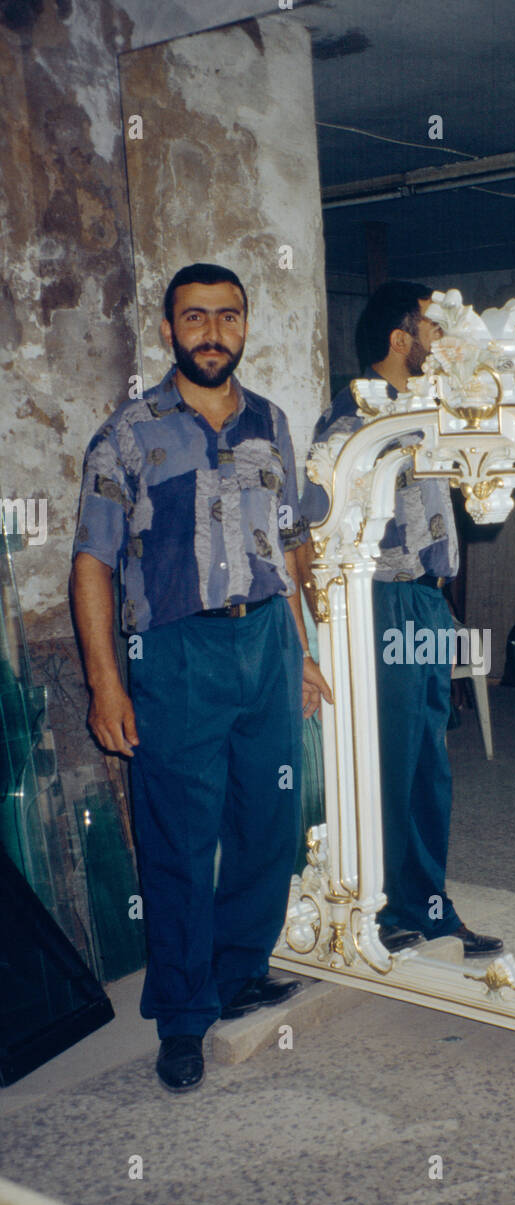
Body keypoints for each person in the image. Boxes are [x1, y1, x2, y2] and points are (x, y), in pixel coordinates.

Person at [70, 262, 331, 1092]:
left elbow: (291, 546)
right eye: (195, 318)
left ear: (244, 326)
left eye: (227, 317)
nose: (212, 332)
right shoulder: (130, 432)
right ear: (169, 330)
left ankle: (241, 968)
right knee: (181, 838)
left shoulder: (272, 423)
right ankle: (182, 1015)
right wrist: (108, 685)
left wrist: (303, 648)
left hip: (267, 647)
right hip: (176, 654)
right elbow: (92, 564)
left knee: (268, 820)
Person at [297, 281, 502, 959]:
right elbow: (315, 528)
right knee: (384, 761)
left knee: (427, 762)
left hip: (424, 600)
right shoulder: (353, 421)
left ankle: (427, 903)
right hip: (380, 599)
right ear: (399, 337)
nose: (440, 342)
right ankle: (381, 907)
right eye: (432, 330)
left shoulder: (426, 409)